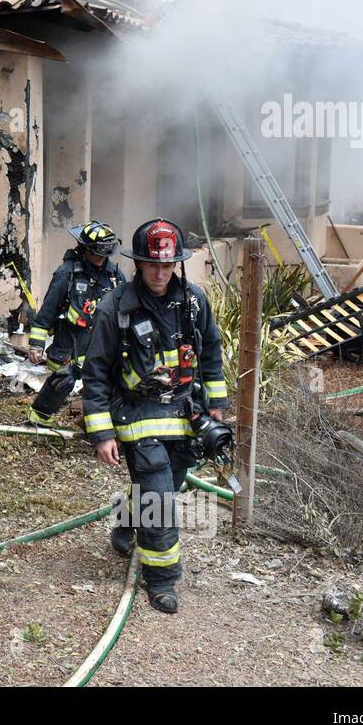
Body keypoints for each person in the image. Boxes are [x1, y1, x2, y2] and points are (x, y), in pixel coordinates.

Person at [79, 218, 230, 614]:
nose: (160, 273)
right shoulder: (115, 308)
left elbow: (210, 352)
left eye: (167, 265)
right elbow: (95, 372)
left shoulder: (194, 302)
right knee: (160, 499)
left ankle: (125, 526)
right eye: (152, 265)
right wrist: (102, 434)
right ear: (138, 263)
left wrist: (215, 404)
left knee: (163, 486)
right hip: (136, 413)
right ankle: (162, 579)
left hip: (184, 412)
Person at [26, 221, 126, 425]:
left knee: (108, 383)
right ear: (85, 249)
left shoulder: (115, 275)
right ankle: (37, 420)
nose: (101, 259)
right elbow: (47, 310)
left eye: (104, 254)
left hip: (102, 342)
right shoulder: (67, 273)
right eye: (96, 254)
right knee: (63, 381)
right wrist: (36, 344)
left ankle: (100, 425)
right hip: (70, 343)